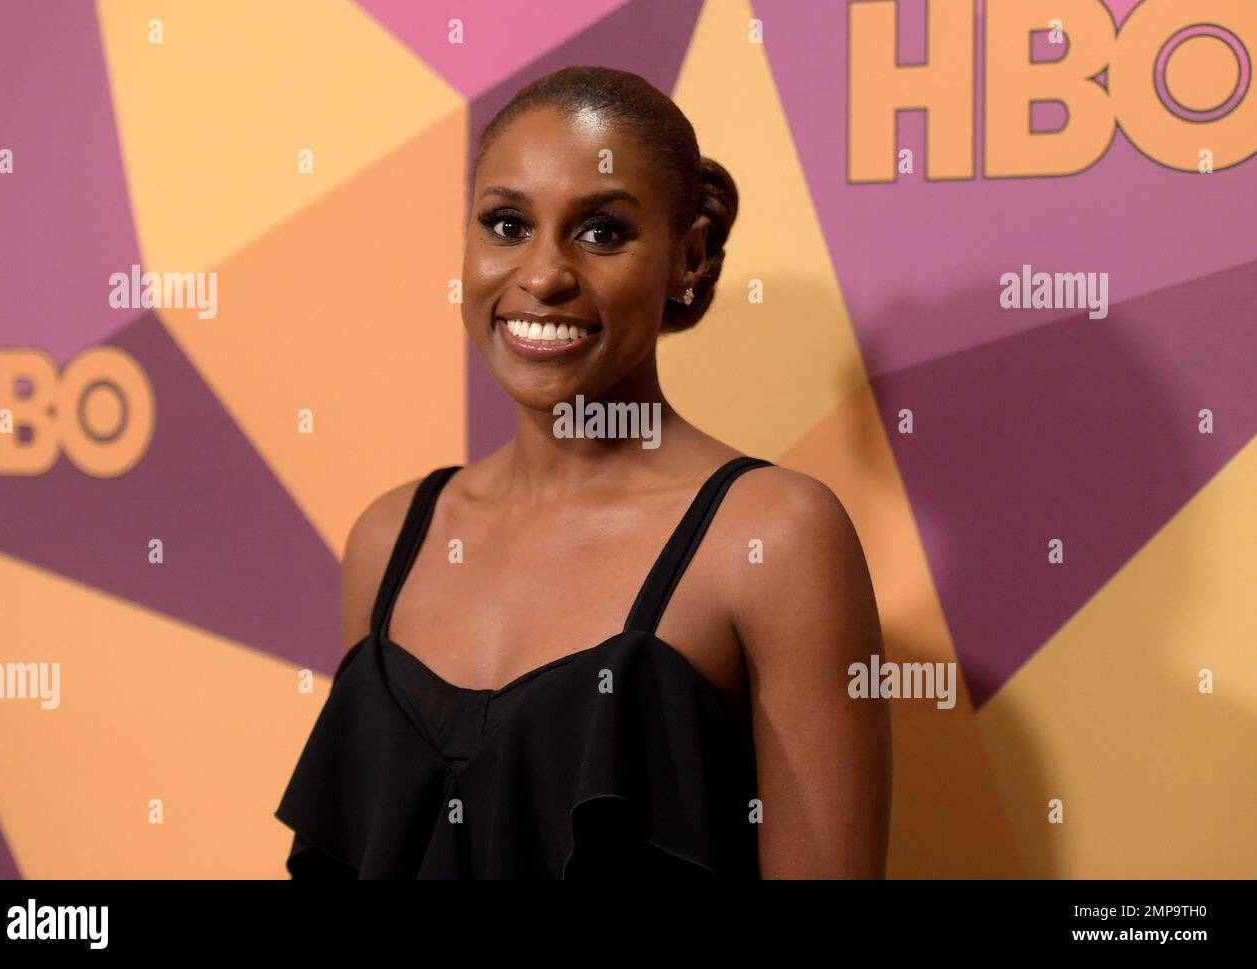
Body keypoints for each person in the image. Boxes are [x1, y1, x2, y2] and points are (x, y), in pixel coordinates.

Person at [275, 65, 891, 878]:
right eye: (505, 224)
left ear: (689, 258)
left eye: (601, 232)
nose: (542, 275)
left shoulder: (774, 539)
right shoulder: (390, 538)